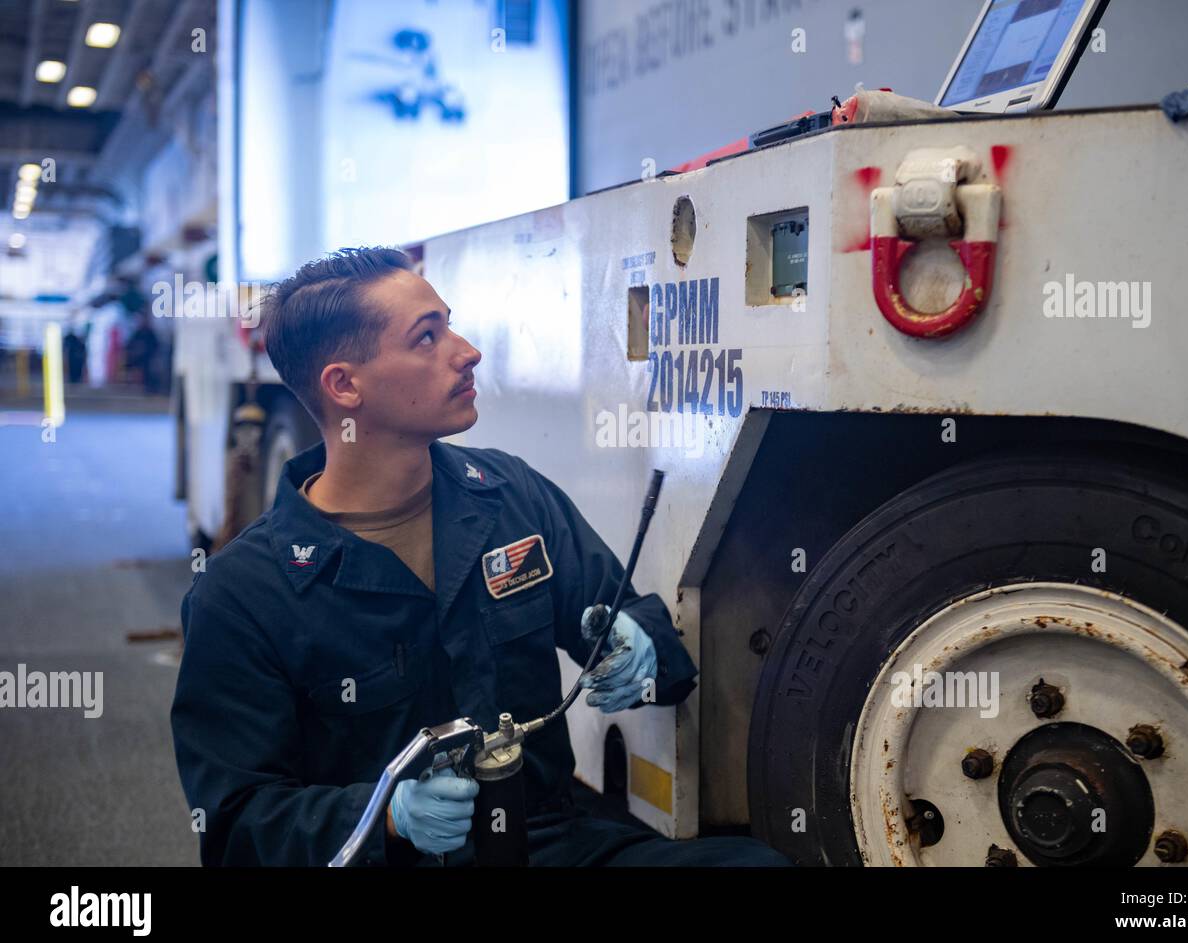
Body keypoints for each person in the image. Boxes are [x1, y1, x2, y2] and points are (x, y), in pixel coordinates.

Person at [170, 247, 791, 867]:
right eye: (427, 337)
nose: (466, 351)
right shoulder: (244, 594)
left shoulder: (508, 497)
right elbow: (237, 826)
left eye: (450, 324)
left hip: (543, 843)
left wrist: (641, 644)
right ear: (344, 385)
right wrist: (385, 815)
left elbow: (617, 615)